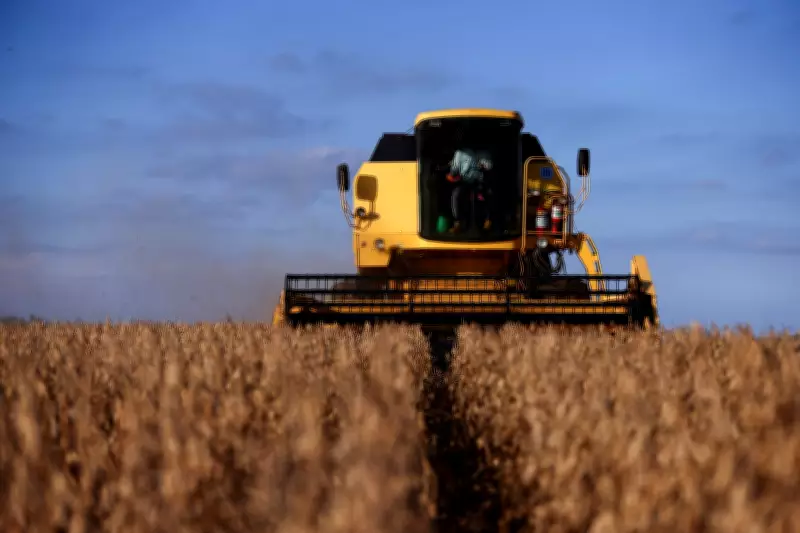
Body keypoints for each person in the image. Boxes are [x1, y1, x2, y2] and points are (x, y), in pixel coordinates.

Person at [446, 148, 493, 233]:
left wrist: (484, 166)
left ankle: (488, 221)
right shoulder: (459, 153)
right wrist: (452, 173)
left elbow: (489, 166)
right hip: (465, 181)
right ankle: (458, 223)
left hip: (480, 181)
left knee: (488, 193)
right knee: (456, 194)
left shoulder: (484, 152)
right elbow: (454, 169)